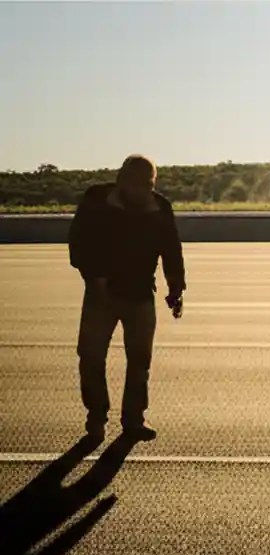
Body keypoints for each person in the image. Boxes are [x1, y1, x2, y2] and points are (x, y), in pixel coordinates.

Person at [68, 154, 186, 443]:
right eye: (139, 184)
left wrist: (176, 288)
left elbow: (171, 249)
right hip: (101, 294)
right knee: (91, 358)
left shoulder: (159, 207)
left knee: (140, 362)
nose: (144, 191)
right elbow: (78, 241)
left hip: (140, 293)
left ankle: (134, 420)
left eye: (149, 184)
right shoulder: (96, 199)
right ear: (122, 180)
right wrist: (94, 277)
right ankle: (96, 419)